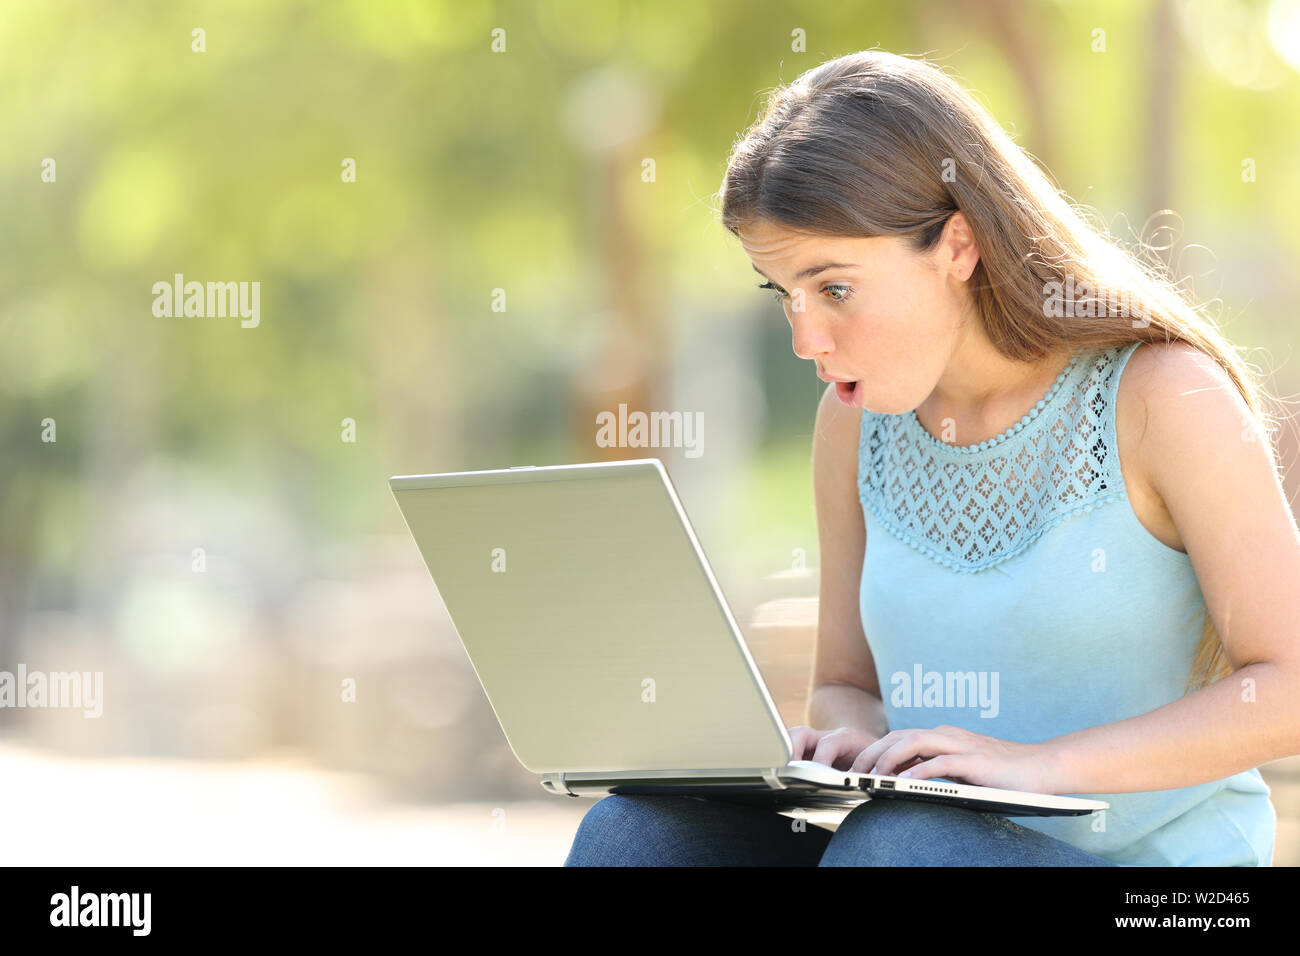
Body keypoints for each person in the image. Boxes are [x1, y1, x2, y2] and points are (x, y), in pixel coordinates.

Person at [565, 49, 1293, 866]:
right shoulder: (854, 422)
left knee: (903, 848)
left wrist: (1040, 768)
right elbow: (847, 685)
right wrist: (846, 751)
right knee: (639, 834)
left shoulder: (1164, 398)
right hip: (916, 845)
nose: (806, 339)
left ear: (958, 245)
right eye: (783, 295)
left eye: (833, 288)